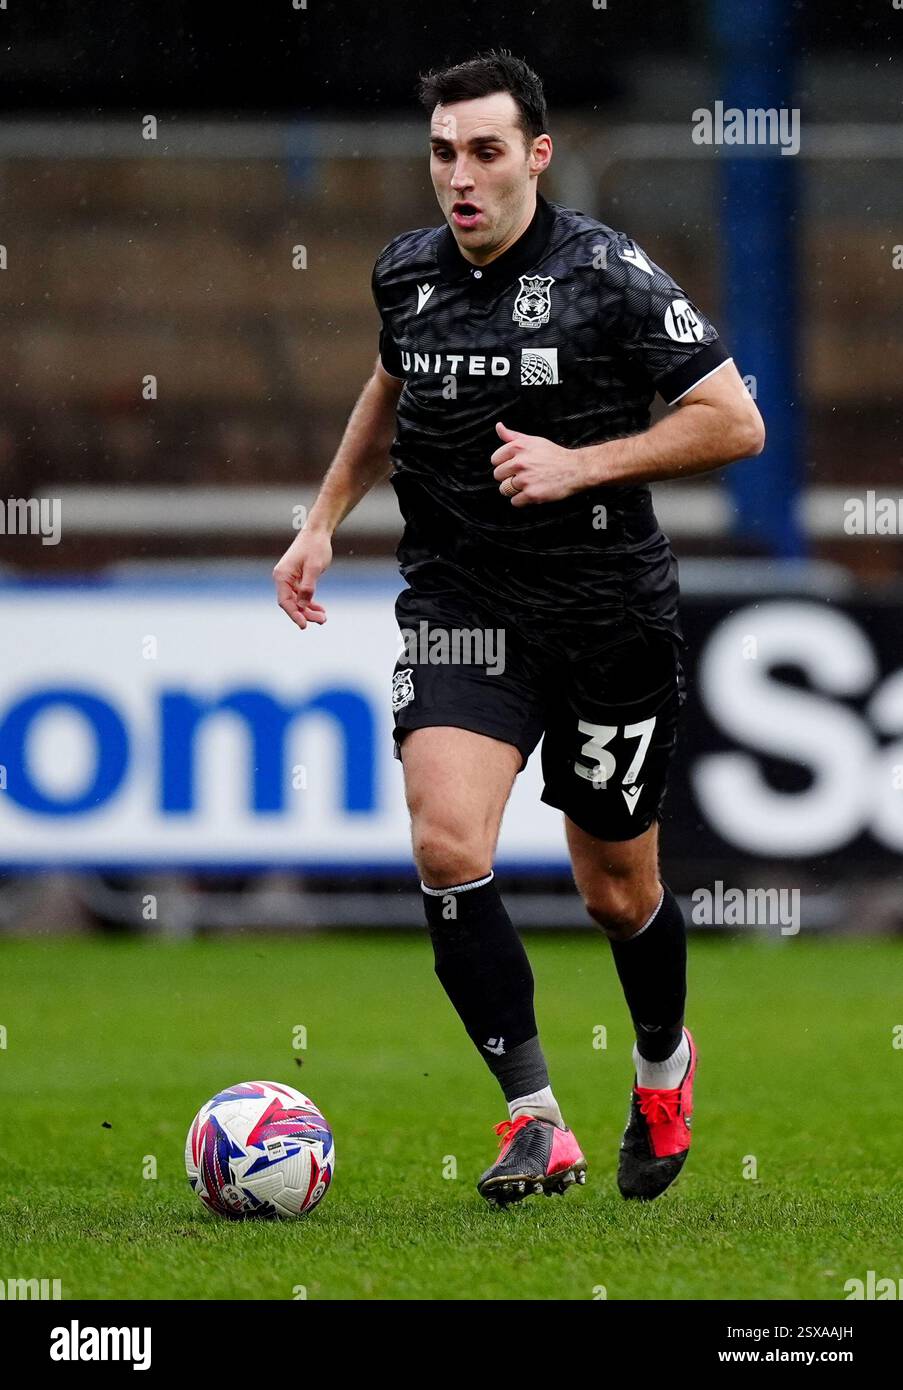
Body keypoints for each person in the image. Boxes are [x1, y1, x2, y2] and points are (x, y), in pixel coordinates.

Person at [273, 49, 765, 1207]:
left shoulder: (612, 276)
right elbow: (390, 383)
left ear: (536, 155)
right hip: (462, 605)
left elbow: (734, 421)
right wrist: (322, 519)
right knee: (447, 842)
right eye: (444, 152)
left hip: (608, 616)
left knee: (616, 890)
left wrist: (582, 461)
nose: (462, 176)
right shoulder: (406, 273)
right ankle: (536, 1117)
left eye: (487, 151)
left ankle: (661, 1066)